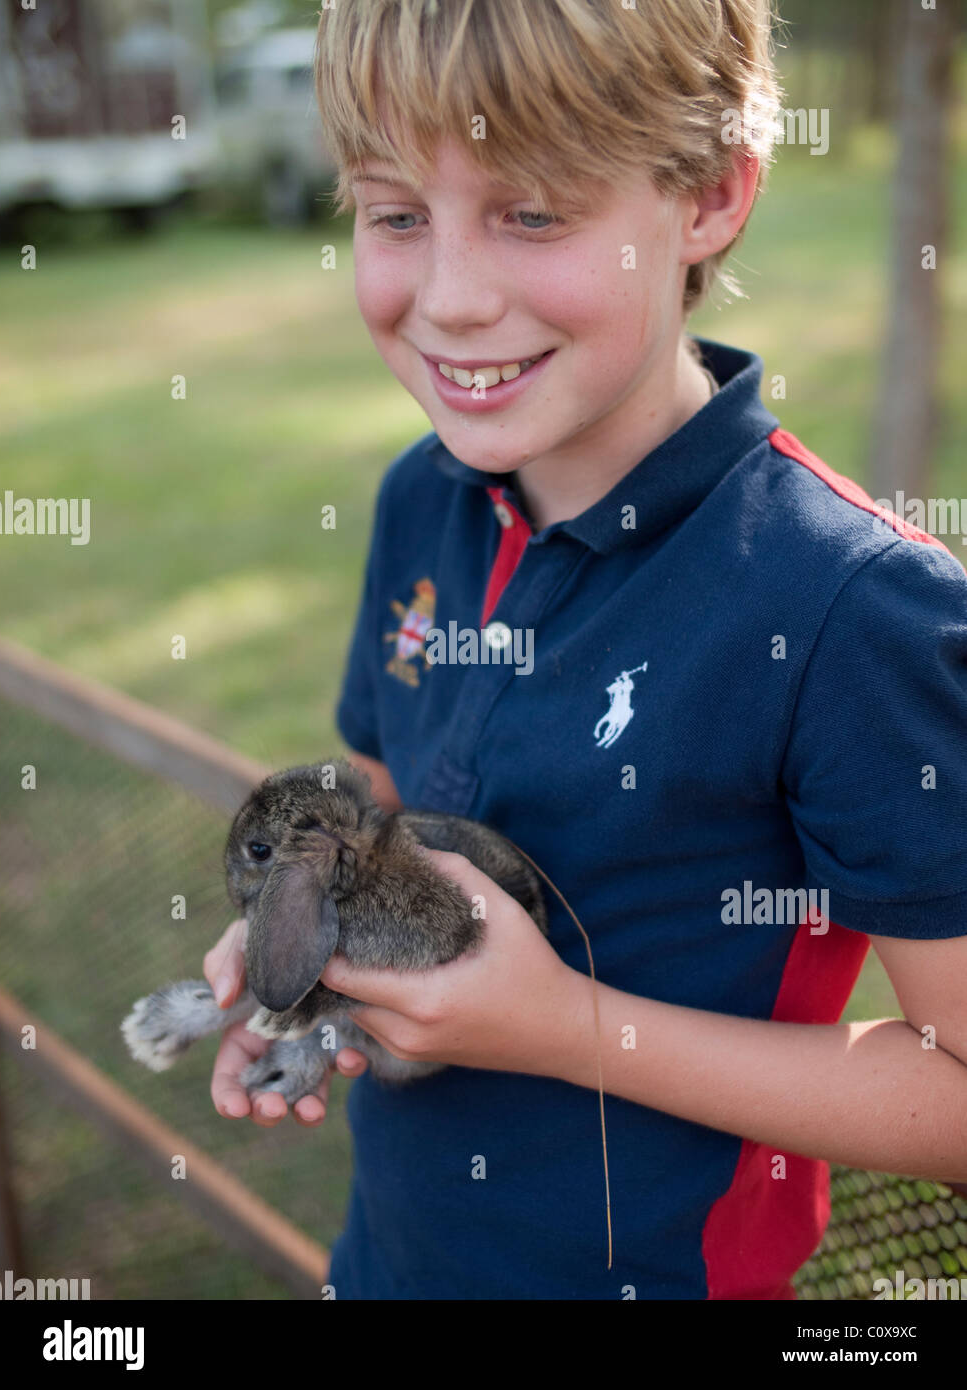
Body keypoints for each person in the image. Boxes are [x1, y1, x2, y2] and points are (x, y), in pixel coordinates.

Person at [203, 0, 967, 1299]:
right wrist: (301, 970)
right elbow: (380, 804)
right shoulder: (419, 498)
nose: (447, 296)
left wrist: (564, 1030)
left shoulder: (856, 605)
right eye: (395, 214)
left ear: (712, 196)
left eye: (533, 212)